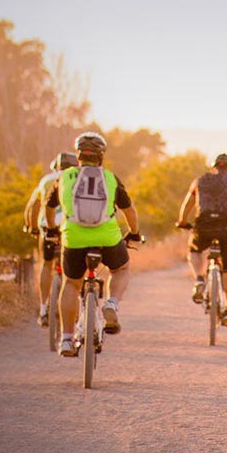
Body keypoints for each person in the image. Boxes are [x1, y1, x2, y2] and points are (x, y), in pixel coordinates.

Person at [44, 132, 142, 356]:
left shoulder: (64, 177)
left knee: (71, 284)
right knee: (121, 268)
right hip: (107, 238)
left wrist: (51, 229)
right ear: (101, 156)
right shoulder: (110, 178)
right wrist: (134, 233)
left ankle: (67, 340)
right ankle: (111, 304)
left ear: (78, 156)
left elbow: (49, 208)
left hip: (75, 238)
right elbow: (130, 212)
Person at [175, 152, 227, 326]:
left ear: (214, 168)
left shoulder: (200, 181)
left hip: (203, 226)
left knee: (194, 249)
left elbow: (187, 205)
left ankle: (199, 279)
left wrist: (182, 221)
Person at [23, 151, 78, 328]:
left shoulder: (46, 180)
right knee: (74, 271)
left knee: (46, 264)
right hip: (70, 227)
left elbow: (33, 206)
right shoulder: (77, 178)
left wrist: (31, 227)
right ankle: (76, 311)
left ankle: (44, 308)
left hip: (47, 226)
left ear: (56, 166)